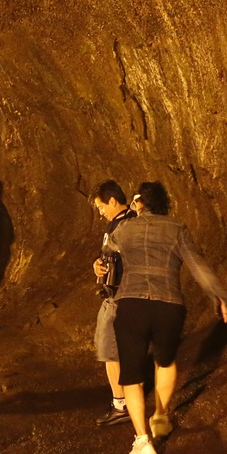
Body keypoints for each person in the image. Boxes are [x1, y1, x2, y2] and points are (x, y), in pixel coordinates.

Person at [106, 181, 227, 454]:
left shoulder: (125, 229)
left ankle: (143, 441)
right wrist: (222, 298)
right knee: (164, 362)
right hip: (168, 305)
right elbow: (198, 266)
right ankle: (160, 416)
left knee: (131, 374)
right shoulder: (177, 228)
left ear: (139, 203)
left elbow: (109, 248)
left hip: (132, 304)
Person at [89, 181, 137, 427]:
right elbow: (109, 255)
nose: (100, 212)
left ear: (112, 201)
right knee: (113, 350)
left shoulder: (130, 224)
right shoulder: (117, 223)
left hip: (121, 296)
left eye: (101, 206)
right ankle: (126, 401)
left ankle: (122, 405)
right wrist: (97, 264)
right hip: (114, 294)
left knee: (111, 351)